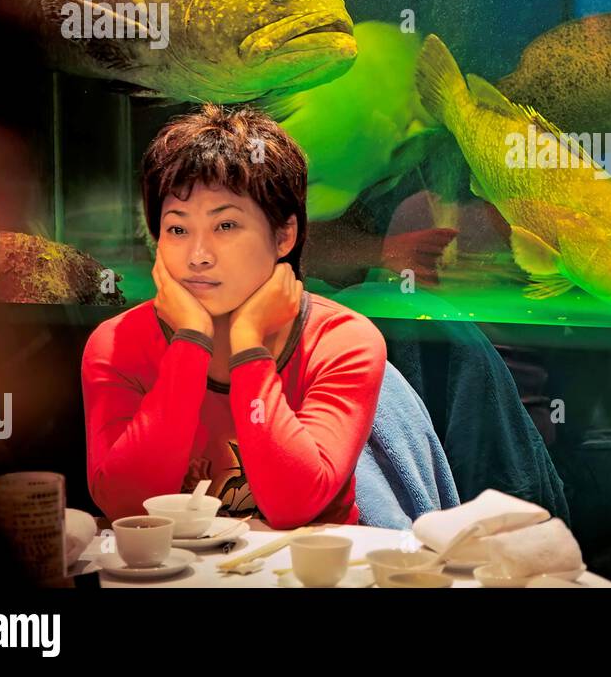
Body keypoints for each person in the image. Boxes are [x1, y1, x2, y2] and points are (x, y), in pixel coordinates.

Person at [80, 104, 386, 529]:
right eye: (177, 229)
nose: (198, 257)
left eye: (225, 226)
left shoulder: (342, 342)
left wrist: (248, 344)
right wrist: (190, 343)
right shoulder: (117, 344)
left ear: (284, 235)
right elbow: (130, 508)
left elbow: (294, 504)